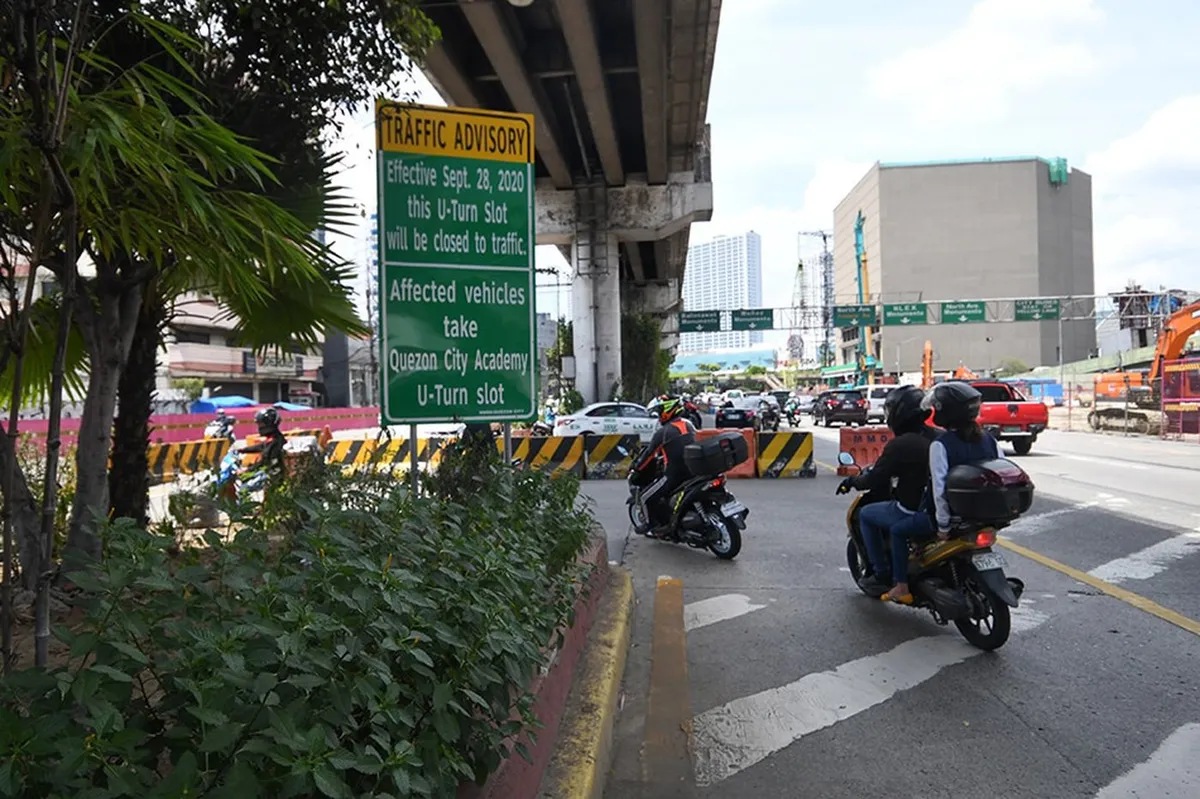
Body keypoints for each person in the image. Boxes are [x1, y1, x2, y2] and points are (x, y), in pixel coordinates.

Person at [880, 381, 999, 604]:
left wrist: (943, 526)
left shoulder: (941, 444)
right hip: (981, 518)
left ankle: (901, 586)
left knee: (897, 530)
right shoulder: (989, 440)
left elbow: (939, 487)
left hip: (951, 519)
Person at [838, 385, 939, 597]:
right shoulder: (939, 437)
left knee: (866, 514)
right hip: (941, 508)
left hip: (914, 508)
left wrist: (853, 481)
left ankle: (881, 574)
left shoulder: (901, 445)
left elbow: (874, 478)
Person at [631, 394, 697, 534]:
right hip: (695, 470)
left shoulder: (663, 432)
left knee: (645, 497)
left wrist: (636, 469)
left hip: (675, 475)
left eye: (660, 411)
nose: (659, 415)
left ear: (668, 410)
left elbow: (648, 455)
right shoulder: (688, 424)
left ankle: (650, 525)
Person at [239, 407, 287, 478]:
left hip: (274, 478)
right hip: (269, 474)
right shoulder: (273, 438)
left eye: (261, 424)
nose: (259, 427)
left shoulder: (276, 442)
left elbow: (264, 462)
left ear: (269, 424)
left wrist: (247, 470)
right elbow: (261, 446)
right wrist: (242, 450)